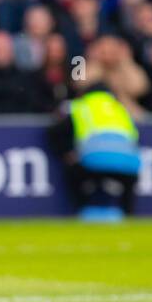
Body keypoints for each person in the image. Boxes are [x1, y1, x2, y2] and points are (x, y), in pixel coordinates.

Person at [48, 72, 142, 219]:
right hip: (127, 163)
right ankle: (128, 214)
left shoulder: (79, 106)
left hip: (94, 160)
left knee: (73, 172)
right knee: (129, 179)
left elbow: (55, 131)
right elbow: (135, 138)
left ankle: (80, 210)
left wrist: (67, 153)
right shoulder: (120, 109)